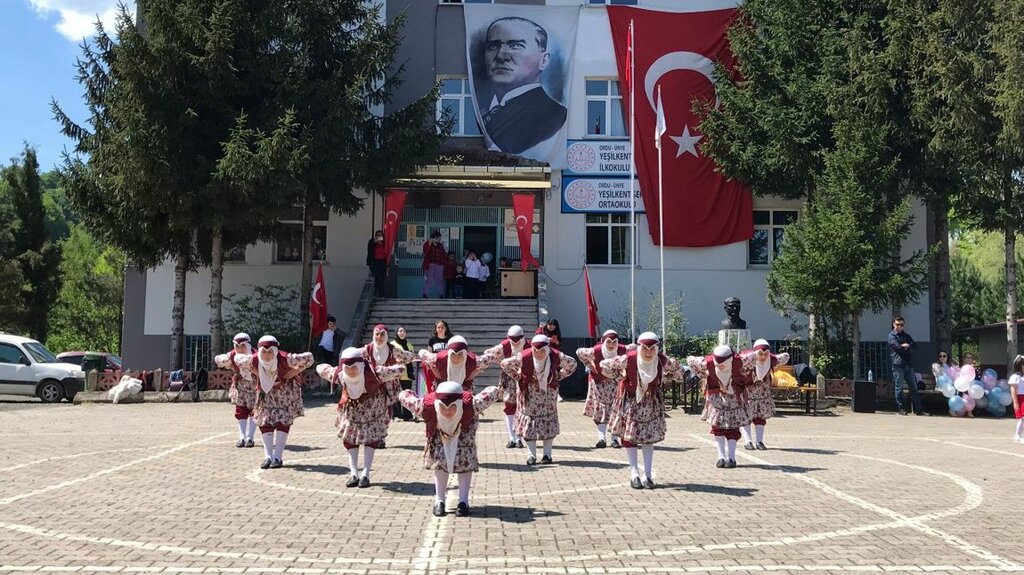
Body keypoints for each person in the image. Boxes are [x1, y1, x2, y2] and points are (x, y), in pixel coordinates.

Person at [398, 380, 502, 517]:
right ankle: (439, 501)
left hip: (463, 442)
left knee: (464, 466)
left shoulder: (472, 405)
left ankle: (463, 501)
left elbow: (492, 391)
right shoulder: (425, 406)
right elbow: (404, 395)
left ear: (459, 403)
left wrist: (500, 389)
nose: (447, 411)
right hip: (439, 441)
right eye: (443, 406)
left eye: (452, 406)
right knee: (440, 466)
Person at [601, 332, 684, 488]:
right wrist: (620, 374)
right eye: (645, 348)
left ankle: (647, 474)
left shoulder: (661, 360)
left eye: (652, 349)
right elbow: (604, 366)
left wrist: (666, 376)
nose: (648, 353)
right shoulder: (629, 359)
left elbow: (679, 372)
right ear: (639, 348)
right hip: (631, 402)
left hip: (651, 403)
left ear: (657, 349)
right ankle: (634, 473)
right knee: (630, 436)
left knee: (648, 437)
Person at [316, 347, 406, 488]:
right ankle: (353, 474)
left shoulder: (375, 373)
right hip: (352, 413)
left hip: (372, 412)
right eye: (348, 368)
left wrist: (384, 369)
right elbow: (320, 368)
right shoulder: (340, 374)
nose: (351, 371)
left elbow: (400, 370)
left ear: (361, 365)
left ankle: (366, 474)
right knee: (351, 440)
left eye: (355, 368)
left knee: (371, 439)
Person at [479, 17, 567, 155]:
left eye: (516, 46)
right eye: (493, 46)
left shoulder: (553, 116)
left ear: (543, 60)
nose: (501, 56)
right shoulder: (482, 112)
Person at [233, 335, 315, 469]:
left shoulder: (285, 358)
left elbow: (309, 358)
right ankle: (267, 457)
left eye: (270, 351)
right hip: (266, 395)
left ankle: (278, 457)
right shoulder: (254, 359)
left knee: (282, 422)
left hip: (283, 395)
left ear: (276, 351)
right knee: (265, 422)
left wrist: (294, 371)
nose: (267, 355)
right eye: (263, 352)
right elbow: (238, 359)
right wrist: (256, 371)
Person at [500, 334, 577, 466]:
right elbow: (504, 364)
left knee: (547, 422)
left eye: (542, 351)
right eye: (536, 351)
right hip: (529, 395)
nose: (539, 354)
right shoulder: (524, 356)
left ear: (547, 349)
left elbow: (573, 364)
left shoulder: (555, 355)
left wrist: (559, 376)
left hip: (548, 396)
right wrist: (518, 377)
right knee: (529, 425)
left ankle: (547, 455)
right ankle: (531, 455)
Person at [687, 345, 753, 469]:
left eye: (724, 362)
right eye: (718, 362)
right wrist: (703, 373)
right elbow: (690, 360)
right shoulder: (708, 363)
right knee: (717, 426)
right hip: (716, 398)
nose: (720, 365)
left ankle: (732, 458)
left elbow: (753, 357)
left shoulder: (738, 362)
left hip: (734, 397)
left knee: (733, 428)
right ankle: (721, 457)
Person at [362, 324, 416, 448]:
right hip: (371, 386)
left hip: (388, 387)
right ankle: (370, 437)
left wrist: (417, 357)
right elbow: (355, 358)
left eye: (382, 335)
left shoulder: (392, 349)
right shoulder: (367, 349)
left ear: (386, 336)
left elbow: (406, 356)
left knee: (385, 413)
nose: (379, 337)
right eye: (377, 334)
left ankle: (381, 438)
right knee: (370, 412)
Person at [576, 330, 629, 448]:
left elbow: (634, 352)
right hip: (599, 384)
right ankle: (601, 438)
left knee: (616, 409)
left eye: (614, 342)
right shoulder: (596, 350)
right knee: (601, 410)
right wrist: (589, 365)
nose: (611, 345)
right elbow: (579, 352)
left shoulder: (622, 350)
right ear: (604, 341)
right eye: (608, 342)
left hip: (616, 384)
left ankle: (614, 439)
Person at [739, 340, 789, 450]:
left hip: (763, 394)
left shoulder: (770, 360)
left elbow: (785, 357)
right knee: (746, 416)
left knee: (760, 417)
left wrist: (771, 356)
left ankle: (760, 441)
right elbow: (739, 360)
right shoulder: (749, 361)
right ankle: (748, 441)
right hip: (748, 394)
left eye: (766, 354)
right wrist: (752, 355)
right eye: (760, 354)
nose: (763, 357)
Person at [485, 326, 527, 448]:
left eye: (518, 339)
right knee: (509, 407)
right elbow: (489, 353)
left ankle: (520, 438)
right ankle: (512, 438)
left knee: (523, 408)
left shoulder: (529, 345)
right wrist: (501, 363)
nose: (515, 342)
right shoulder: (505, 345)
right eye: (513, 339)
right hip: (509, 380)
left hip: (524, 379)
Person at [214, 333, 257, 448]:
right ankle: (242, 437)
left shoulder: (255, 355)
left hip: (254, 385)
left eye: (242, 345)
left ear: (247, 345)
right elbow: (221, 360)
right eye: (237, 346)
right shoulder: (233, 355)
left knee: (254, 410)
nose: (239, 348)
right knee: (241, 410)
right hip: (241, 385)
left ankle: (250, 438)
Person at [419, 335, 501, 392]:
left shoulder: (474, 360)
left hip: (464, 386)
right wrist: (433, 369)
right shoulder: (439, 358)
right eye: (453, 355)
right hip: (442, 386)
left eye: (460, 355)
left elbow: (490, 357)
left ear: (465, 354)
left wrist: (475, 372)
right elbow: (422, 352)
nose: (456, 358)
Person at [888, 316, 928, 416]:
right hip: (898, 365)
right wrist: (903, 346)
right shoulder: (891, 336)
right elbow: (897, 347)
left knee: (914, 388)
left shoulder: (906, 335)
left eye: (901, 325)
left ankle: (919, 410)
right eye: (897, 324)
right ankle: (901, 408)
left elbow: (914, 345)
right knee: (899, 387)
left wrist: (907, 346)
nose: (899, 326)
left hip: (908, 365)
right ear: (893, 324)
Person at [391, 327, 416, 421]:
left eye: (404, 331)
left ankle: (407, 415)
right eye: (400, 331)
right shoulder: (392, 344)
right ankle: (397, 415)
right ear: (396, 333)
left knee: (407, 395)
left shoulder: (409, 345)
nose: (402, 333)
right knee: (396, 394)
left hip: (407, 374)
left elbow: (411, 357)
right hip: (396, 374)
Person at [425, 320, 453, 393]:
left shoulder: (451, 339)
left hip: (448, 366)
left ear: (446, 328)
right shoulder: (432, 340)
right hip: (436, 367)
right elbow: (429, 354)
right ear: (436, 329)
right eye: (438, 327)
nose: (440, 329)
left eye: (442, 327)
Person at [422, 230, 447, 299]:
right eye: (438, 238)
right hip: (430, 265)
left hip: (439, 264)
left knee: (439, 280)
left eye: (439, 238)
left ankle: (441, 294)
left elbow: (443, 254)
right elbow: (425, 251)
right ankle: (425, 295)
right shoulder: (427, 243)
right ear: (434, 237)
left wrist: (444, 261)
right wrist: (429, 243)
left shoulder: (440, 245)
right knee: (428, 281)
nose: (439, 239)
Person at [366, 230, 387, 298]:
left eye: (381, 235)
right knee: (377, 278)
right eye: (378, 235)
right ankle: (378, 294)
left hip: (382, 262)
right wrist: (374, 243)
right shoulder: (372, 242)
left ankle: (381, 294)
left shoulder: (385, 243)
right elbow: (369, 251)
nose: (379, 237)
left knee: (381, 278)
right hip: (375, 262)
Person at [1009, 354, 1024, 443]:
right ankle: (1017, 435)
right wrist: (1015, 402)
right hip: (1020, 399)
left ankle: (1019, 435)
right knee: (1022, 418)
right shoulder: (1015, 377)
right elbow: (1013, 390)